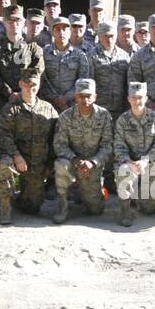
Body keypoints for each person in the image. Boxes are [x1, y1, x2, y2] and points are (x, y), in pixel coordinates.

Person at [0, 70, 58, 225]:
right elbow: (3, 136)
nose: (30, 88)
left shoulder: (48, 109)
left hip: (37, 163)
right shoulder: (11, 109)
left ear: (39, 85)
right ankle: (5, 208)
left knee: (33, 206)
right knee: (4, 165)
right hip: (15, 159)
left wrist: (50, 165)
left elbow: (55, 138)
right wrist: (16, 155)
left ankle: (20, 198)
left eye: (34, 85)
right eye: (27, 85)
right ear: (20, 85)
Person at [52, 78, 114, 223]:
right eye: (81, 96)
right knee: (60, 165)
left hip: (93, 166)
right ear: (75, 97)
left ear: (95, 97)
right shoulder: (65, 117)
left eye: (88, 96)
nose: (85, 100)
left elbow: (108, 146)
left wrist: (93, 162)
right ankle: (62, 206)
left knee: (95, 210)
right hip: (72, 163)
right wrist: (75, 160)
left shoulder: (104, 116)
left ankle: (87, 191)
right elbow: (60, 145)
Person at [113, 80, 155, 227]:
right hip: (130, 164)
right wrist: (129, 162)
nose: (137, 101)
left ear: (146, 98)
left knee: (149, 209)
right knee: (123, 171)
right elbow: (119, 146)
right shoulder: (122, 120)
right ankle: (125, 211)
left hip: (149, 164)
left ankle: (141, 200)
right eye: (134, 98)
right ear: (128, 99)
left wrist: (144, 161)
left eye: (140, 97)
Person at [0, 5, 43, 125]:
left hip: (27, 98)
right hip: (2, 100)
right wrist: (9, 93)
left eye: (18, 20)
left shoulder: (33, 48)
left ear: (24, 23)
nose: (14, 24)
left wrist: (22, 93)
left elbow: (37, 73)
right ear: (4, 22)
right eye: (10, 20)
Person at [41, 16, 88, 112]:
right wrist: (55, 98)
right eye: (57, 29)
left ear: (70, 32)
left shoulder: (80, 55)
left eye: (64, 29)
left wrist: (66, 98)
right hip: (48, 105)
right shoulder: (44, 53)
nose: (61, 33)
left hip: (71, 105)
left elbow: (83, 80)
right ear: (52, 32)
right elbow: (42, 78)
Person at [88, 21, 131, 119]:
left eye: (112, 36)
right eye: (106, 36)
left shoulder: (124, 56)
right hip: (99, 109)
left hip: (120, 108)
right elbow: (89, 82)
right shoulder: (91, 56)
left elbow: (128, 82)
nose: (109, 39)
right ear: (99, 37)